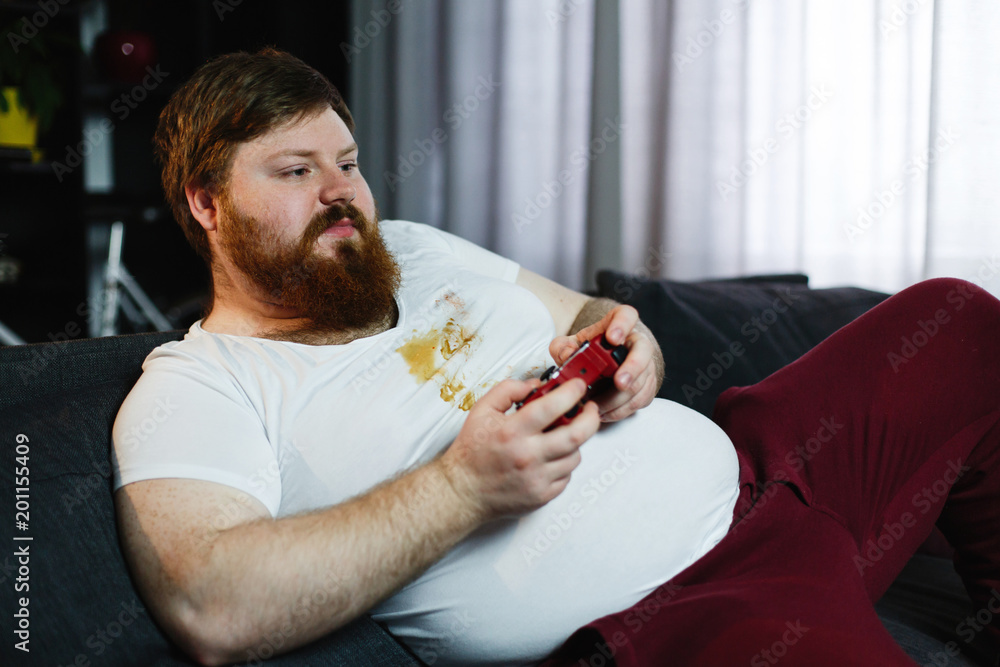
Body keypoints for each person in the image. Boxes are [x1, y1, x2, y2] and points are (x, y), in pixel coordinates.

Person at [111, 48, 1000, 667]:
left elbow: (588, 311)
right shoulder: (197, 385)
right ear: (207, 204)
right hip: (689, 603)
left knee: (956, 322)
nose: (343, 191)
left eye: (347, 161)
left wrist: (629, 340)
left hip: (771, 472)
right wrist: (462, 488)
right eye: (296, 171)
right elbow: (210, 606)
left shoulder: (416, 248)